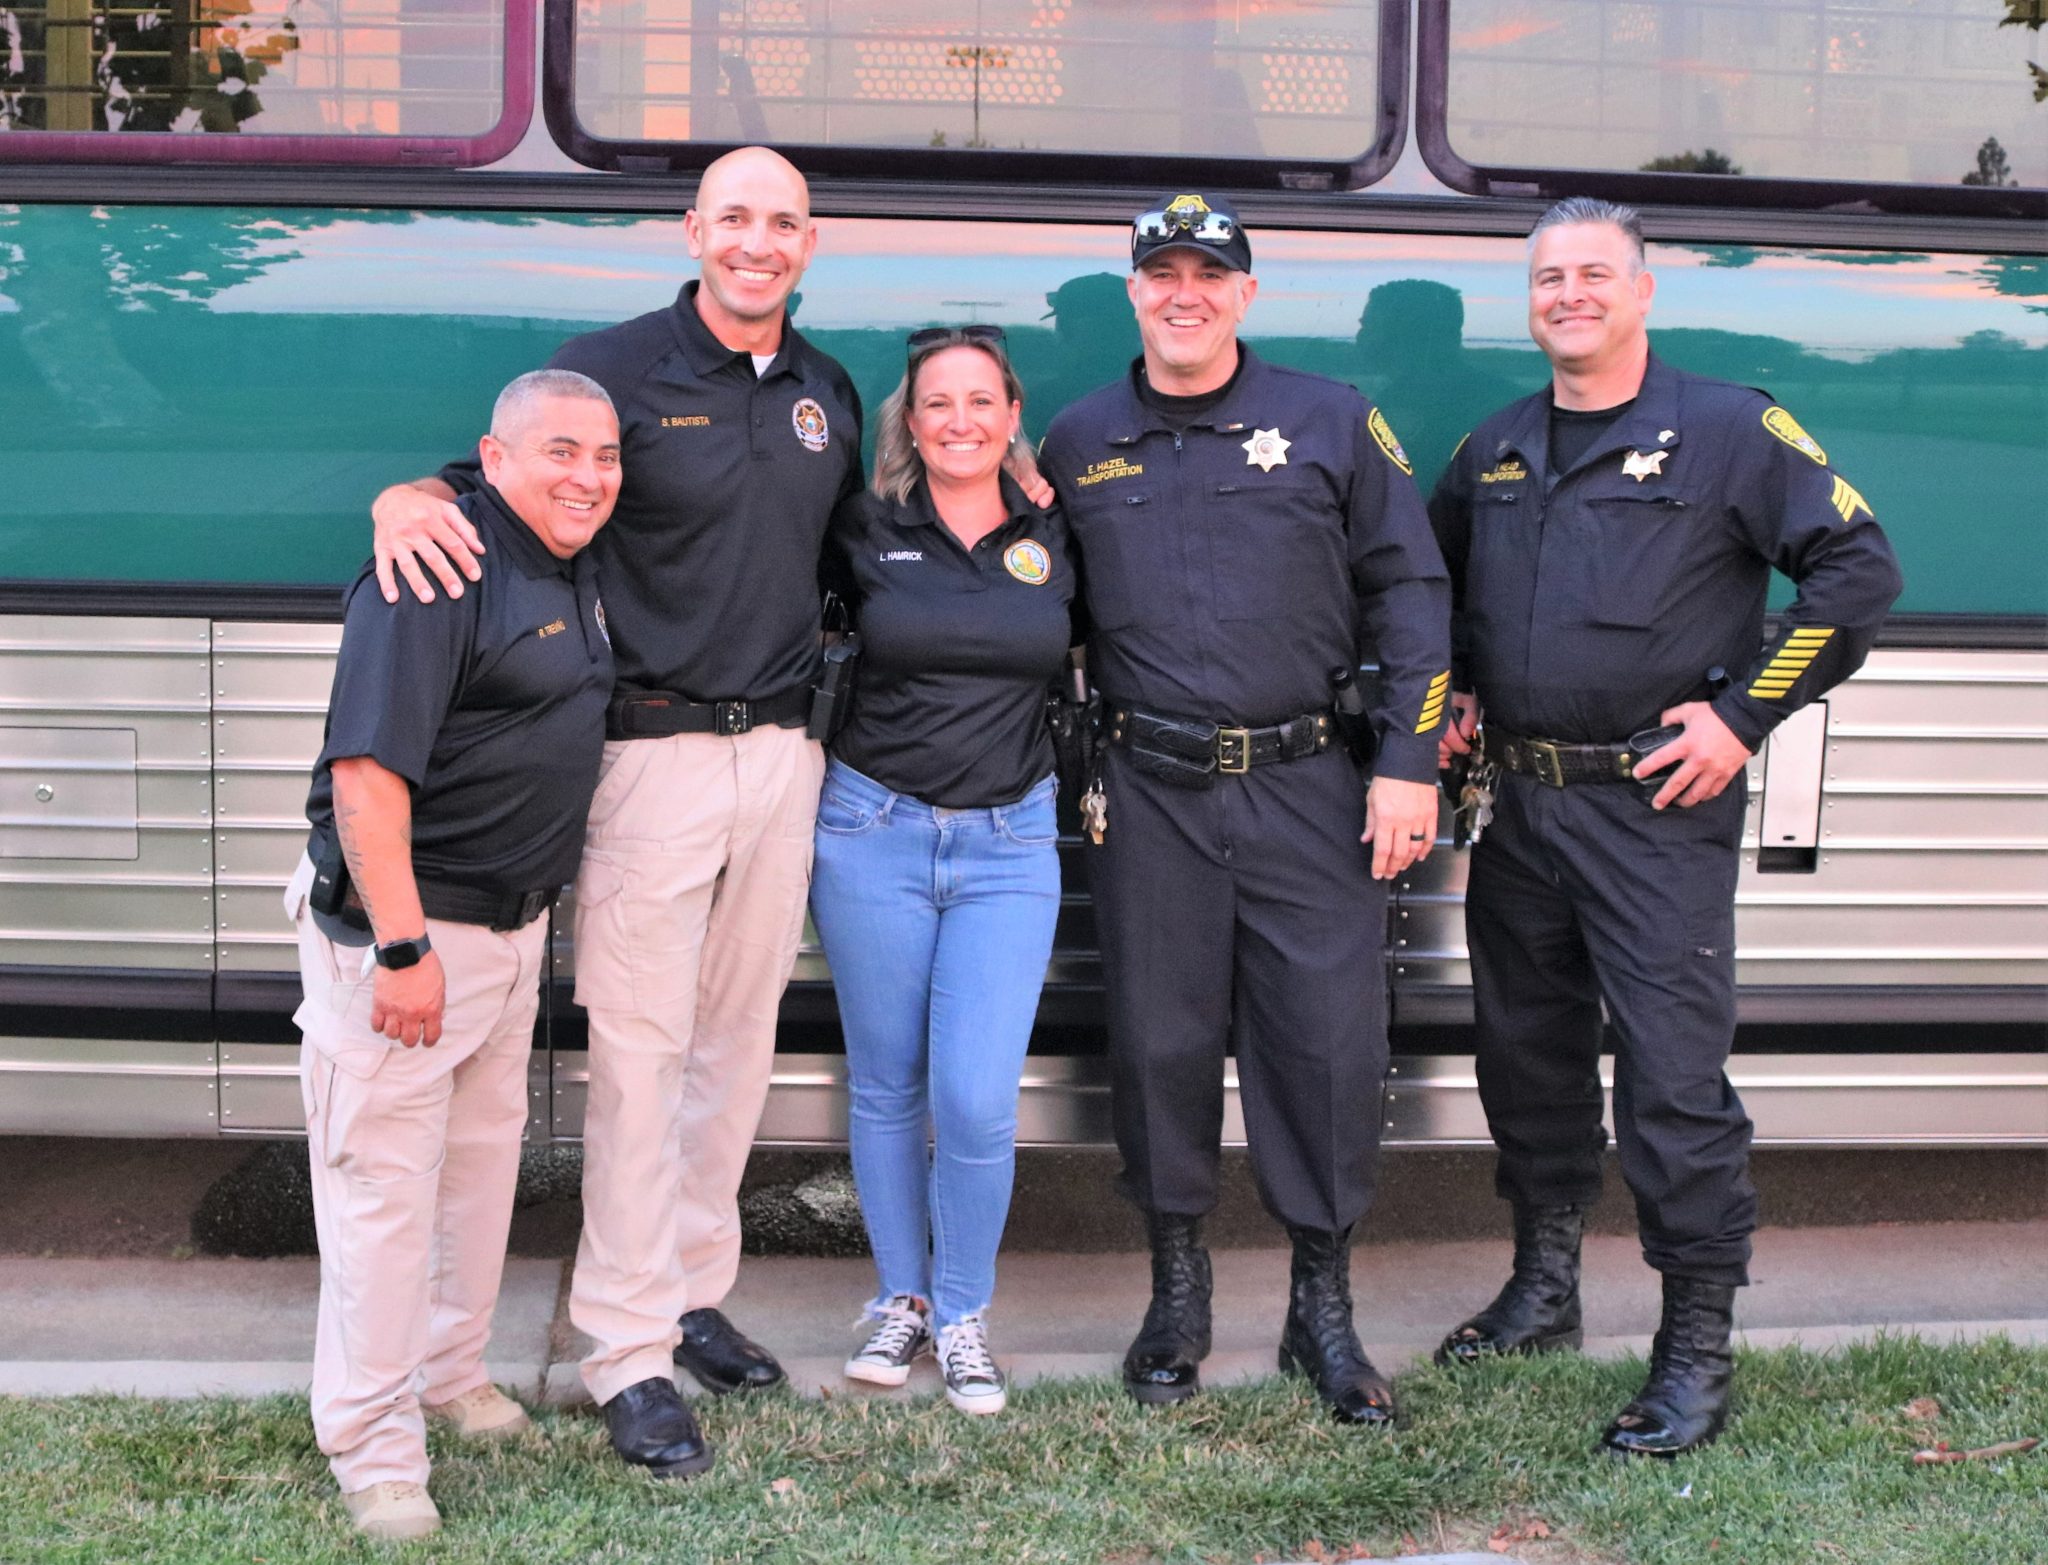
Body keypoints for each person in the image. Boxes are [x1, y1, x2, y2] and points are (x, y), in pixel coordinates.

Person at [366, 147, 863, 1478]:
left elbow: (844, 558)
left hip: (783, 762)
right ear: (694, 229)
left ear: (809, 244)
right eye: (737, 216)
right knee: (640, 1061)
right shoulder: (620, 366)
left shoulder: (827, 391)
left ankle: (689, 1290)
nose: (760, 241)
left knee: (734, 1050)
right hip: (649, 758)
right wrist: (402, 497)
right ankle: (626, 1352)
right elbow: (505, 488)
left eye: (785, 222)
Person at [1427, 197, 1903, 1457]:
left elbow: (1857, 571)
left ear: (1643, 292)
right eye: (1547, 277)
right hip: (1520, 812)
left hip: (1653, 812)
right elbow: (1437, 587)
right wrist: (1458, 686)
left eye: (1592, 273)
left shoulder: (1729, 429)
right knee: (1523, 1062)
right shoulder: (1494, 447)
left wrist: (1743, 717)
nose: (1567, 293)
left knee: (1672, 1082)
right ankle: (1545, 1283)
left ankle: (1694, 1342)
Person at [1037, 193, 1453, 1424]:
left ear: (1245, 294)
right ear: (1131, 291)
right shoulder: (1076, 438)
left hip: (1312, 788)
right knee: (1158, 1042)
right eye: (1160, 273)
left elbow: (1412, 594)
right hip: (1149, 793)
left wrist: (1410, 759)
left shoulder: (1327, 422)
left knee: (1323, 1048)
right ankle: (1176, 1291)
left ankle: (1320, 1310)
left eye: (1206, 275)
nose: (1183, 293)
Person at [288, 370, 620, 1539]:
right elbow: (366, 778)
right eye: (562, 452)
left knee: (476, 1176)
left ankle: (447, 1370)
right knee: (383, 1195)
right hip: (412, 936)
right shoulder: (434, 567)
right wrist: (403, 945)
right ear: (494, 455)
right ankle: (373, 1445)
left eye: (606, 456)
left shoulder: (569, 562)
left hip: (513, 930)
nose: (587, 476)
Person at [809, 326, 1079, 1417]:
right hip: (870, 827)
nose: (959, 419)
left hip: (1010, 843)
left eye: (980, 400)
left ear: (1012, 414)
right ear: (908, 424)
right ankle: (901, 1295)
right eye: (936, 403)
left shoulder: (1061, 528)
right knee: (884, 1084)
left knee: (973, 1098)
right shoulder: (862, 525)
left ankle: (963, 1309)